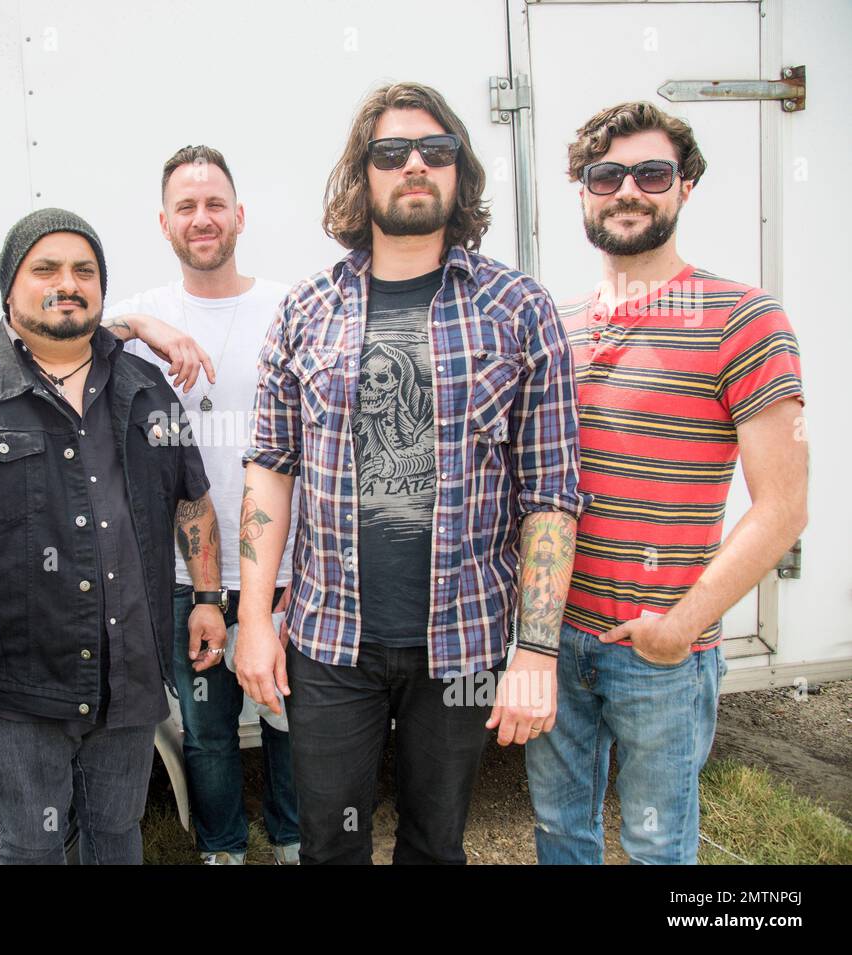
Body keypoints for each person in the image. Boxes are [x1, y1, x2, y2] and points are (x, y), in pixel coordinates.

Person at [236, 82, 586, 864]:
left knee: (436, 843)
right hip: (329, 643)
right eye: (391, 153)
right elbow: (268, 469)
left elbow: (551, 494)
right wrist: (256, 619)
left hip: (464, 643)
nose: (415, 165)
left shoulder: (519, 309)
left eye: (437, 150)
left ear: (460, 173)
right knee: (330, 843)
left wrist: (536, 648)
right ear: (363, 176)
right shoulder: (307, 310)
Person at [0, 208, 227, 864]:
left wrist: (208, 596)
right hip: (16, 689)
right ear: (9, 288)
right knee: (32, 847)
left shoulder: (147, 386)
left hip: (129, 676)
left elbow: (192, 501)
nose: (67, 283)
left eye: (84, 270)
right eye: (46, 268)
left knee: (117, 836)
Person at [526, 101, 808, 864]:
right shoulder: (556, 321)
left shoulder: (744, 319)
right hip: (555, 640)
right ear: (581, 192)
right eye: (606, 175)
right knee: (560, 830)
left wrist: (681, 626)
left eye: (652, 173)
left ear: (685, 187)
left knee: (657, 845)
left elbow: (783, 507)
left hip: (662, 653)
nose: (627, 190)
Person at [102, 145, 300, 866]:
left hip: (285, 561)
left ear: (239, 215)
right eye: (186, 206)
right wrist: (139, 327)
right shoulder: (142, 316)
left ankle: (290, 839)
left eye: (215, 203)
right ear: (164, 223)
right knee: (207, 727)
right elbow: (54, 341)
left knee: (288, 717)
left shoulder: (287, 304)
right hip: (190, 574)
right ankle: (221, 849)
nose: (202, 217)